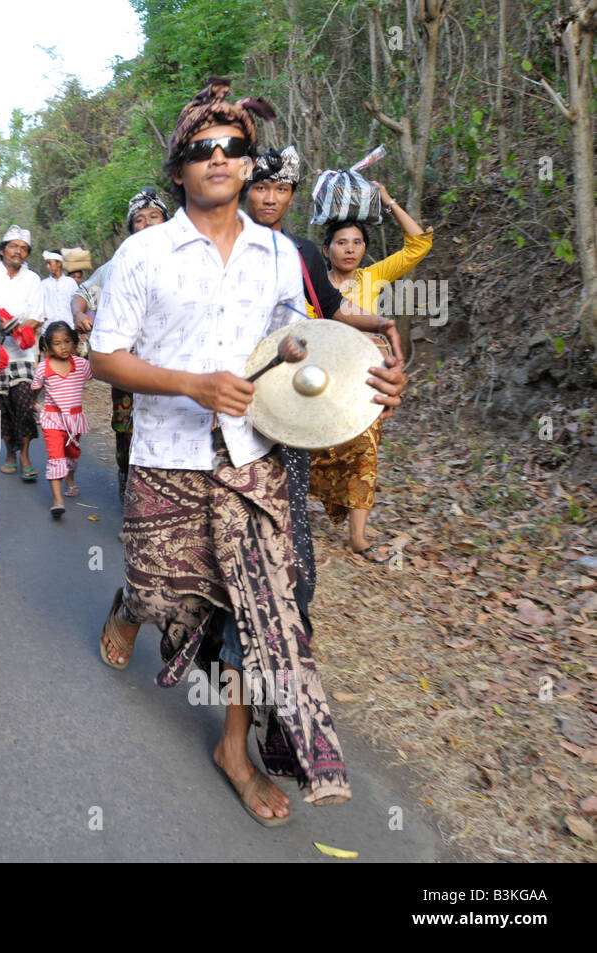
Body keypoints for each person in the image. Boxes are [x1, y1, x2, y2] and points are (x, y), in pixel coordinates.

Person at [89, 78, 352, 823]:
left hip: (253, 455)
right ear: (179, 168)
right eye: (202, 148)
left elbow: (296, 342)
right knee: (165, 591)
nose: (219, 157)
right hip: (167, 454)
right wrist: (191, 384)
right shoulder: (143, 252)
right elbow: (106, 357)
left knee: (261, 603)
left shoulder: (278, 254)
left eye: (234, 147)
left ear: (249, 162)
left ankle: (234, 746)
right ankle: (130, 609)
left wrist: (357, 374)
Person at [245, 146, 408, 588]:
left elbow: (333, 310)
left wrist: (381, 322)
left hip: (292, 391)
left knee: (292, 512)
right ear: (245, 190)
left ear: (293, 196)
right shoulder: (222, 248)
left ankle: (295, 612)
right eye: (260, 187)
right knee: (244, 520)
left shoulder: (303, 254)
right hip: (235, 396)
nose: (270, 198)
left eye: (281, 189)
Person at [311, 191, 431, 560]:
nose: (350, 250)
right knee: (312, 452)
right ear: (326, 248)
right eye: (341, 243)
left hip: (366, 379)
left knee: (366, 452)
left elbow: (419, 244)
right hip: (320, 382)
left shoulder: (373, 276)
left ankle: (358, 538)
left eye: (358, 242)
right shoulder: (313, 284)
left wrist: (389, 201)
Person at [72, 187, 169, 501]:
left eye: (154, 217)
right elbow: (83, 294)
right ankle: (130, 503)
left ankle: (164, 506)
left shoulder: (186, 261)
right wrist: (79, 313)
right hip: (127, 370)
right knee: (127, 434)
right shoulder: (117, 265)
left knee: (168, 434)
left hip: (171, 370)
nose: (147, 224)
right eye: (139, 220)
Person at [0, 225, 45, 481]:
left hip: (23, 354)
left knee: (25, 405)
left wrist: (18, 328)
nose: (18, 251)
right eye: (13, 246)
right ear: (3, 249)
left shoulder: (33, 279)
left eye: (23, 248)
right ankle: (10, 453)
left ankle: (25, 454)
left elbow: (37, 317)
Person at [31, 321, 90, 518]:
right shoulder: (43, 368)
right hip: (52, 419)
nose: (63, 347)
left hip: (74, 420)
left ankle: (70, 478)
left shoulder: (81, 365)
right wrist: (33, 403)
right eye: (57, 343)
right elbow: (36, 389)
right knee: (56, 458)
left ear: (74, 343)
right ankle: (58, 500)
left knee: (72, 454)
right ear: (48, 346)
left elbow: (98, 370)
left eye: (67, 341)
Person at [39, 251, 77, 333]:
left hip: (69, 326)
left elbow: (76, 304)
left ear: (59, 263)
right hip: (48, 328)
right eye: (46, 264)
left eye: (50, 263)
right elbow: (41, 307)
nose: (47, 266)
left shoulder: (70, 282)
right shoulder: (43, 284)